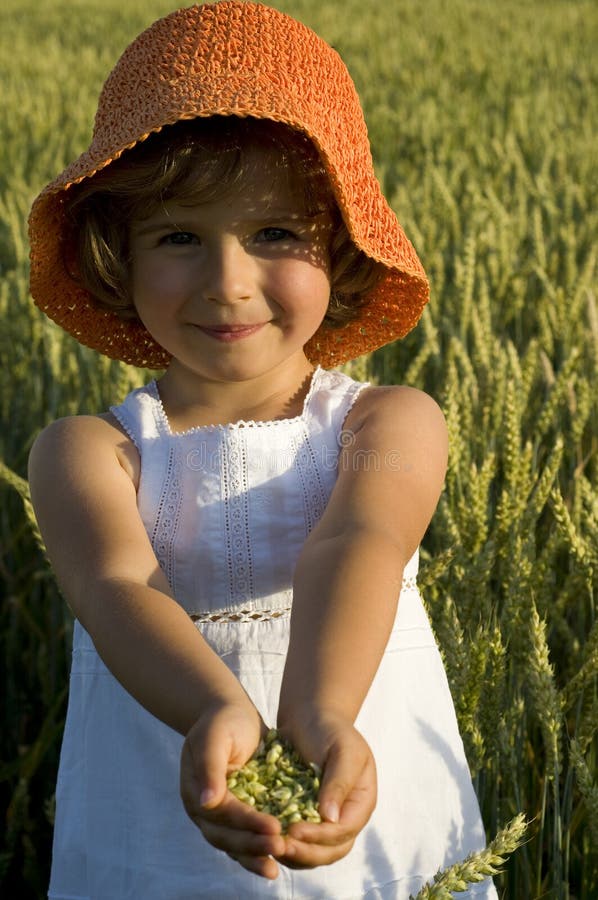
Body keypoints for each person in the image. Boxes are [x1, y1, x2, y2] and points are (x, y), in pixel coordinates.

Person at [27, 3, 497, 898]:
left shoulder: (389, 423)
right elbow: (115, 583)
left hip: (362, 784)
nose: (229, 282)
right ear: (117, 256)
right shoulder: (87, 453)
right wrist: (214, 708)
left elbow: (358, 540)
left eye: (275, 233)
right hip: (160, 820)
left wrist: (322, 714)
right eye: (179, 238)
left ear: (343, 245)